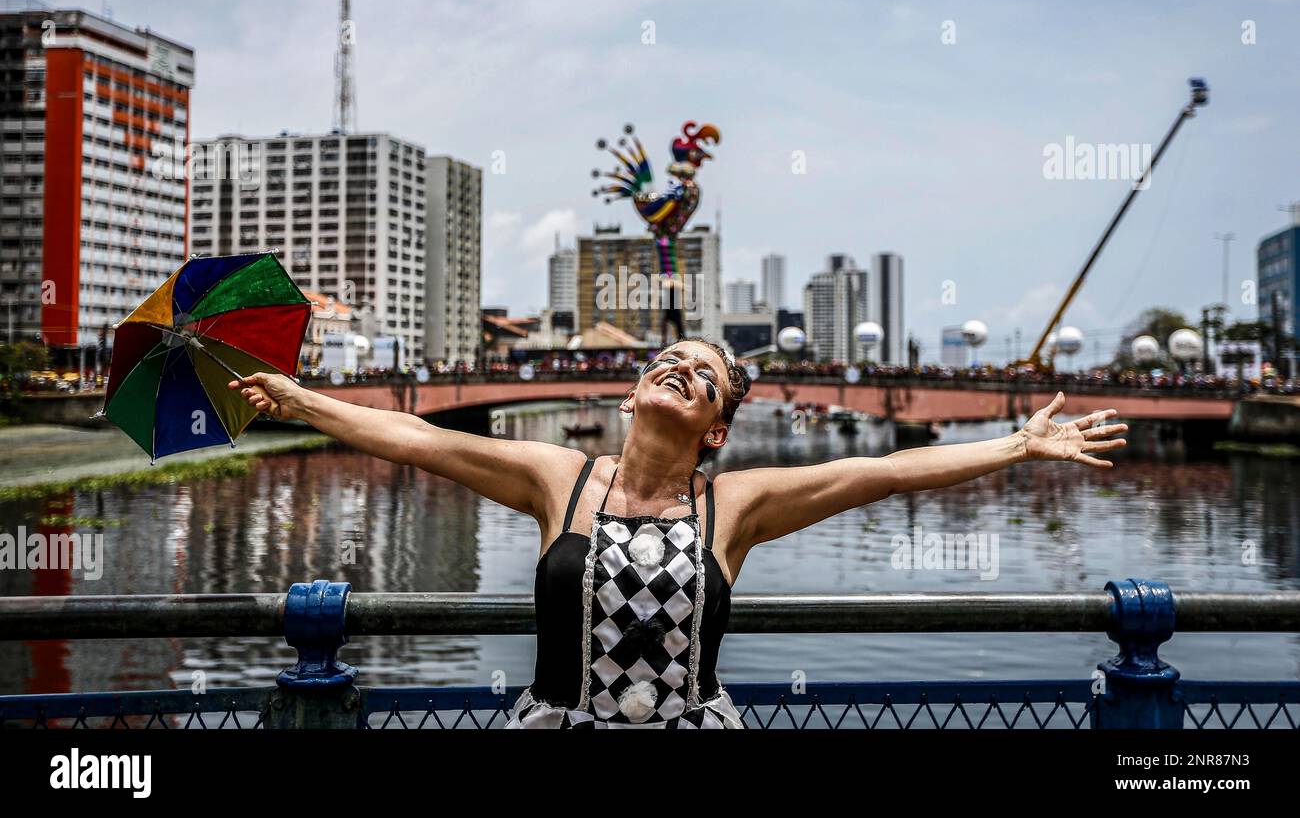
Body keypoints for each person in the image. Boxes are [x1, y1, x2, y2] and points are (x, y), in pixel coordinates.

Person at [228, 335, 1127, 729]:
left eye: (704, 372)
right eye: (671, 359)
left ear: (717, 428)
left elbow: (881, 471)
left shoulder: (730, 507)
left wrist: (1018, 443)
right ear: (630, 395)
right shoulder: (559, 479)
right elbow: (422, 437)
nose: (681, 367)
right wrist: (302, 400)